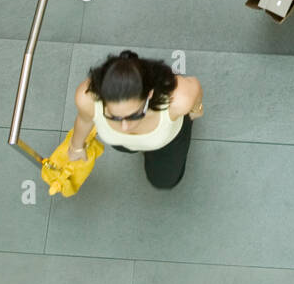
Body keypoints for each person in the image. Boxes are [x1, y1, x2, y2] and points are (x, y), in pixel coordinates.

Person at [67, 50, 203, 190]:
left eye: (134, 115)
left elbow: (195, 86)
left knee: (164, 181)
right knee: (125, 148)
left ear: (149, 94)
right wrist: (76, 147)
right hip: (125, 143)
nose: (125, 127)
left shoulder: (179, 100)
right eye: (114, 117)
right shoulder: (86, 98)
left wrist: (195, 109)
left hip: (169, 141)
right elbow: (84, 120)